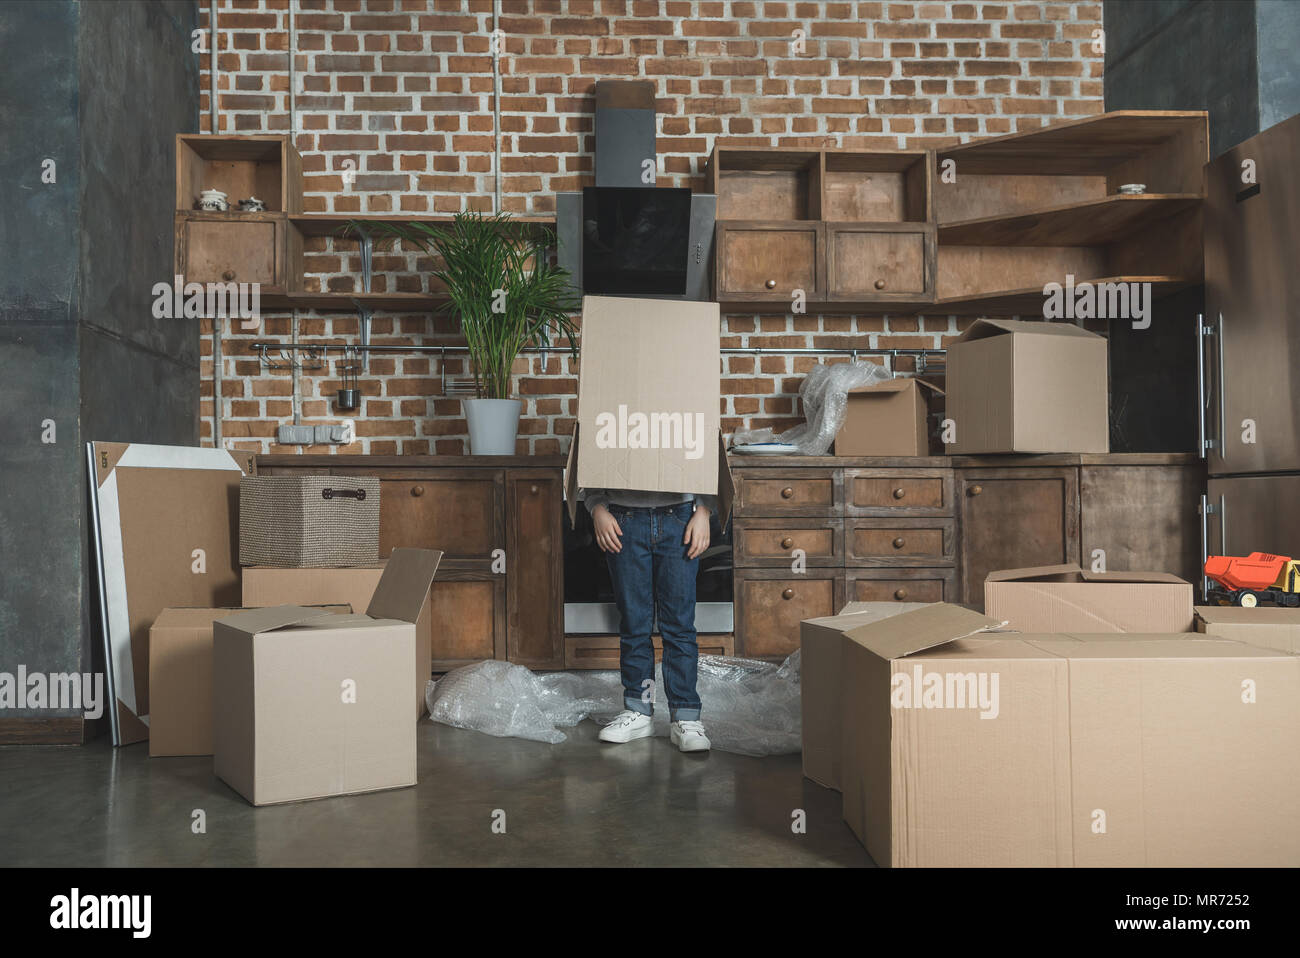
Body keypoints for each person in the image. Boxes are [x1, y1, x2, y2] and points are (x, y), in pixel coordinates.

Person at [584, 486, 715, 752]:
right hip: (622, 519)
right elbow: (591, 458)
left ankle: (686, 717)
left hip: (681, 517)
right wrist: (597, 508)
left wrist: (704, 511)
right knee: (635, 624)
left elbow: (711, 460)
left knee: (679, 626)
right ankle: (639, 712)